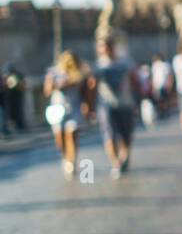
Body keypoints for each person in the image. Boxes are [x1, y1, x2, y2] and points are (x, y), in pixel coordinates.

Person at [92, 35, 141, 179]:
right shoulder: (98, 65)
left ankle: (125, 157)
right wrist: (89, 105)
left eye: (106, 46)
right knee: (109, 134)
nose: (103, 49)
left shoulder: (125, 62)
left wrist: (138, 100)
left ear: (112, 47)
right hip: (106, 105)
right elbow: (91, 86)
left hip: (126, 104)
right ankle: (115, 163)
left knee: (126, 136)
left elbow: (135, 80)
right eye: (101, 47)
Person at [44, 50, 89, 178]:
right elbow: (47, 91)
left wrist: (86, 105)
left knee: (72, 134)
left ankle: (72, 160)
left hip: (73, 107)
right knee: (60, 139)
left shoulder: (80, 73)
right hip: (57, 109)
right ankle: (65, 156)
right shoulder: (53, 72)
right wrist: (57, 85)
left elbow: (85, 90)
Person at [150, 54, 173, 118]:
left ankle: (163, 112)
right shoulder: (159, 65)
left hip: (160, 85)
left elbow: (153, 78)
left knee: (162, 100)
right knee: (163, 100)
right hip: (162, 85)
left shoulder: (162, 65)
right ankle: (163, 112)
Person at [5, 66, 27, 131]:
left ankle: (20, 125)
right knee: (14, 112)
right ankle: (18, 125)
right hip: (12, 96)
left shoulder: (18, 75)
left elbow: (23, 84)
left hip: (17, 96)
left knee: (18, 111)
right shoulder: (9, 76)